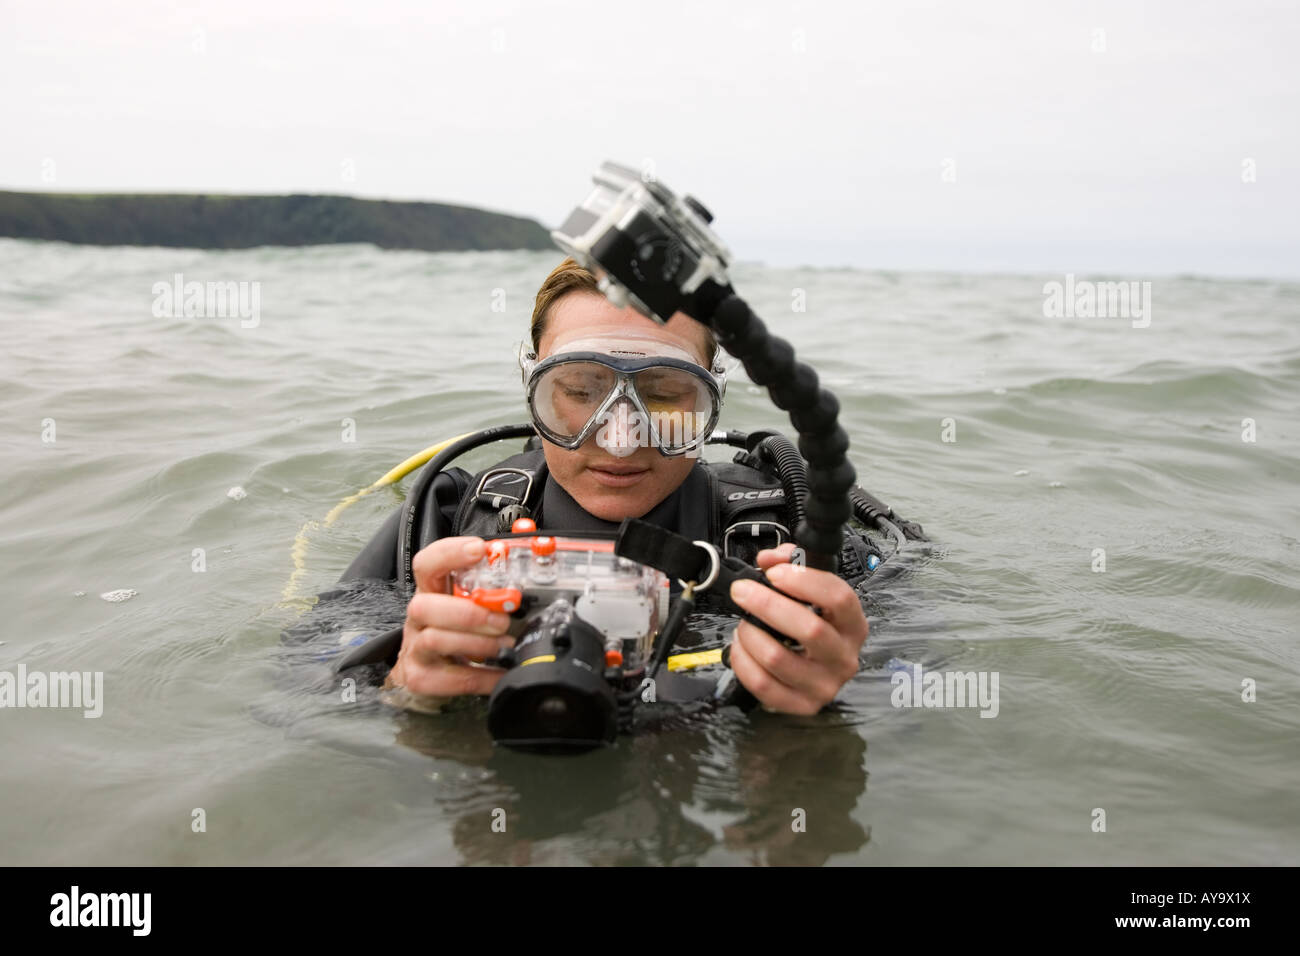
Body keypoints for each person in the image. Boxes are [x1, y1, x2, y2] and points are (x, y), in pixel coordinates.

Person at [335, 258, 876, 716]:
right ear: (533, 388)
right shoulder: (445, 519)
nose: (620, 441)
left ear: (711, 399)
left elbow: (912, 692)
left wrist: (825, 699)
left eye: (664, 394)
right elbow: (300, 688)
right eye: (578, 390)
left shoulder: (789, 538)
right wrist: (402, 688)